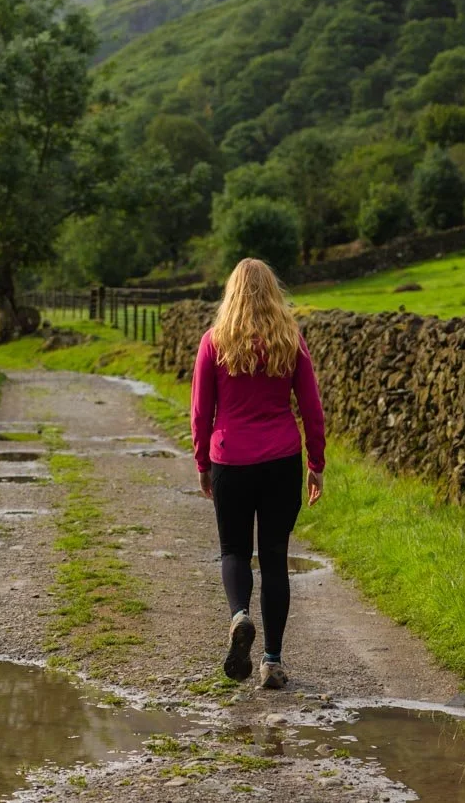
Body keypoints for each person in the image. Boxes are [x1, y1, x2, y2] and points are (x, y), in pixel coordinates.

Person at [191, 257, 326, 690]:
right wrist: (315, 464)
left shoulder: (214, 342)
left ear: (231, 292)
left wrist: (202, 463)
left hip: (230, 459)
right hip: (281, 460)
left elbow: (200, 412)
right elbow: (312, 410)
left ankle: (239, 616)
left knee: (233, 551)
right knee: (274, 559)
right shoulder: (291, 341)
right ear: (273, 292)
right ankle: (271, 661)